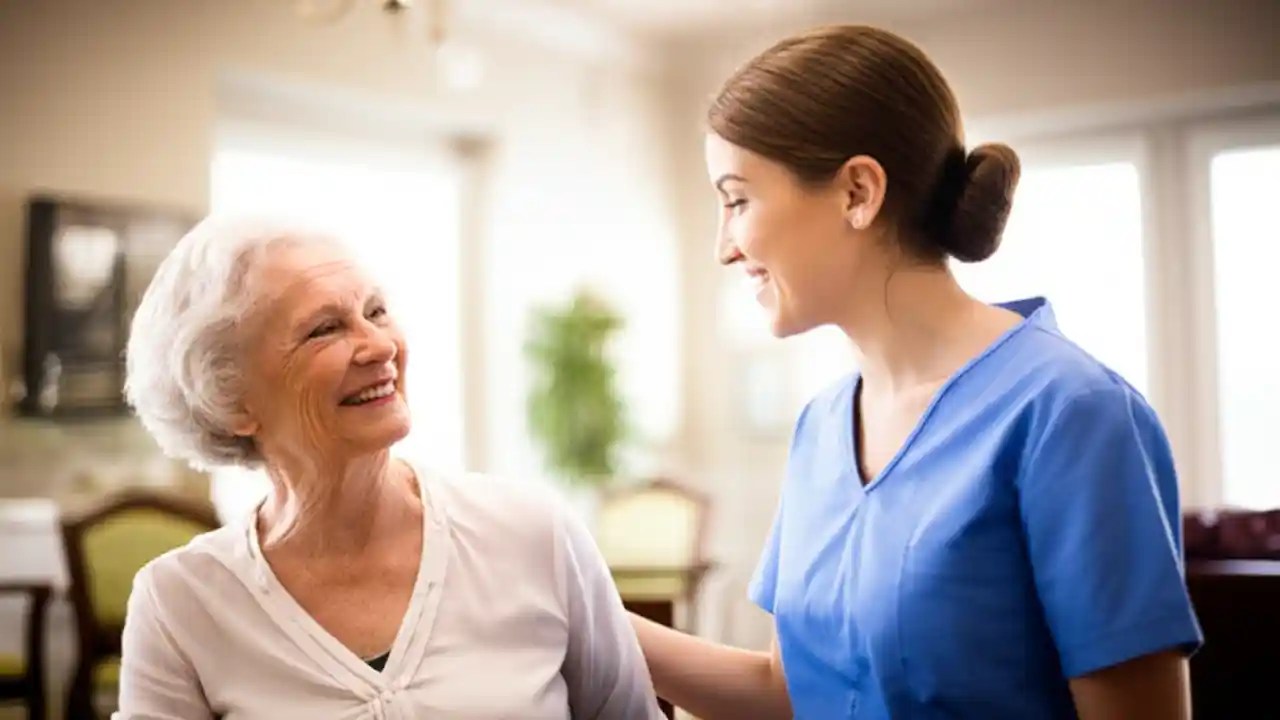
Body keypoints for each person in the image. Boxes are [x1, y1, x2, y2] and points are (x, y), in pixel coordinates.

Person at [630, 25, 1202, 720]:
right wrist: (589, 613)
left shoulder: (1070, 412)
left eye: (737, 200)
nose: (724, 247)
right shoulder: (822, 426)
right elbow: (792, 694)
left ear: (857, 192)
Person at [116, 217, 664, 720]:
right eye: (324, 329)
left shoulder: (532, 532)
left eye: (376, 311)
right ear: (230, 399)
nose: (379, 346)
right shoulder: (179, 603)